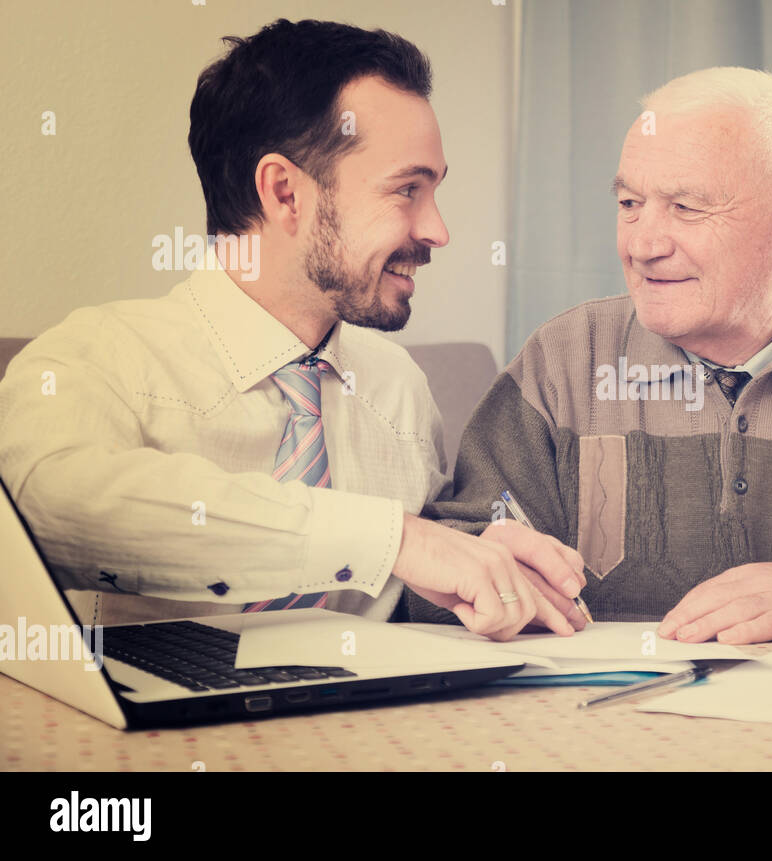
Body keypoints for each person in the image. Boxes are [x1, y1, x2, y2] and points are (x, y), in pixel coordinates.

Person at [0, 19, 582, 641]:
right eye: (407, 190)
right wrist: (390, 538)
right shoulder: (93, 359)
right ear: (284, 193)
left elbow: (425, 576)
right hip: (156, 734)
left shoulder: (398, 389)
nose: (438, 230)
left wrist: (479, 555)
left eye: (434, 191)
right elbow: (47, 508)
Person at [407, 67, 772, 644]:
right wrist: (480, 573)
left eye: (686, 208)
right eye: (630, 203)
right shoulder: (559, 363)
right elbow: (434, 584)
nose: (642, 244)